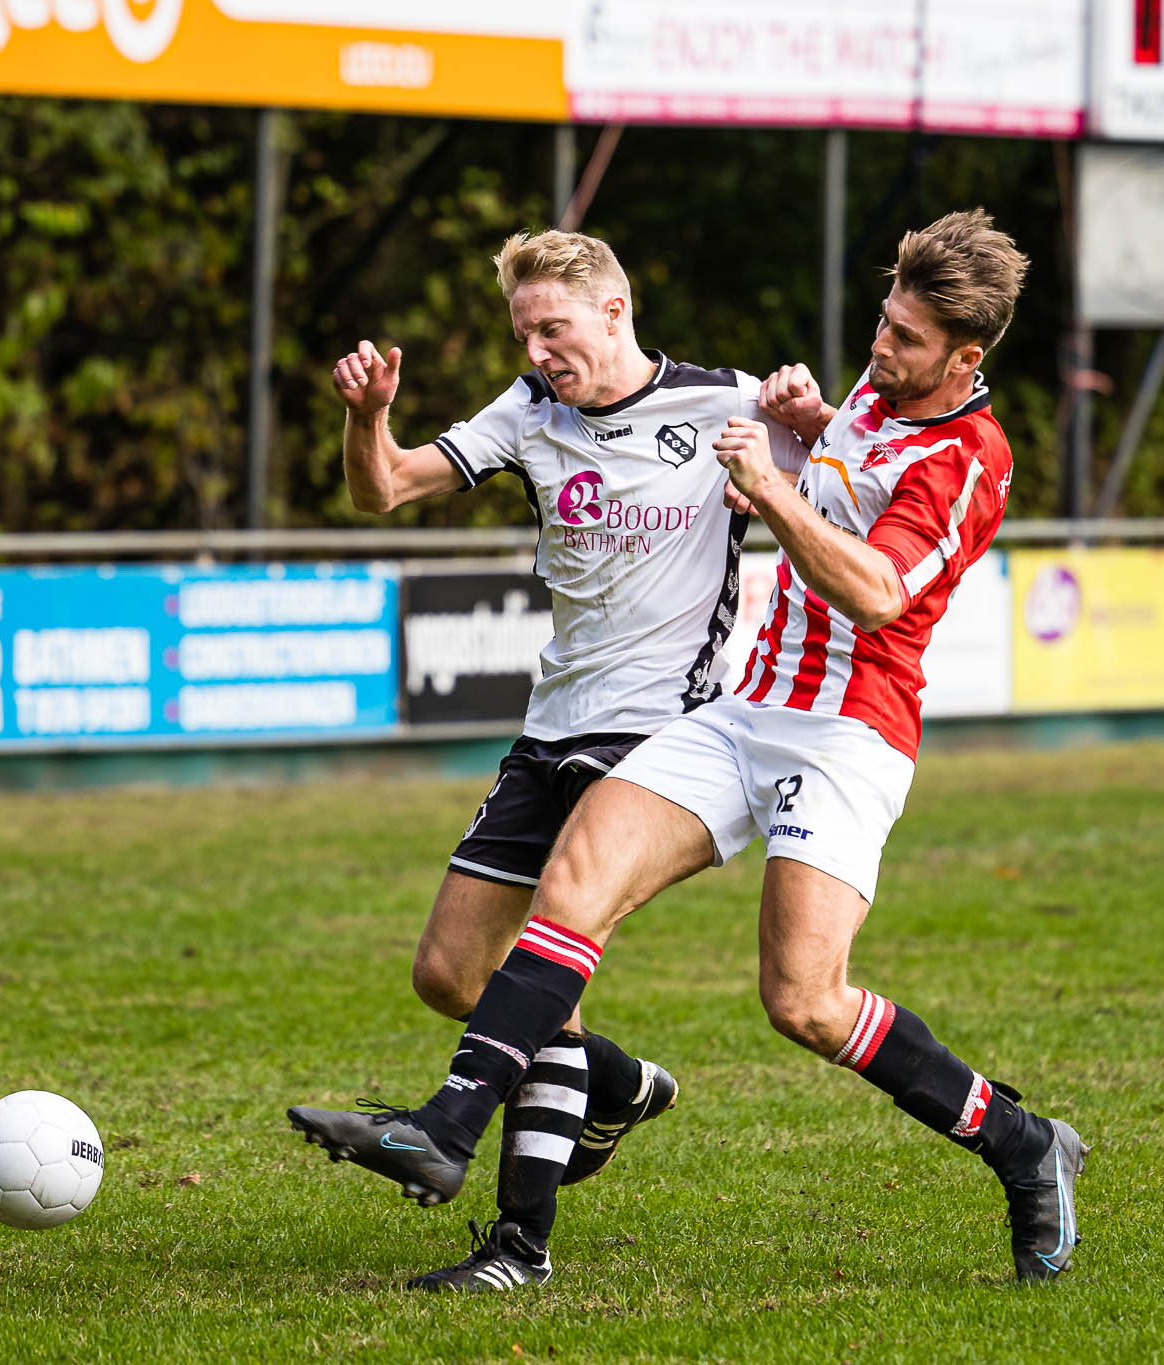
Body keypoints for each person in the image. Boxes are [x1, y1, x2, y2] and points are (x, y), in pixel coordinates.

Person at [290, 209, 1089, 1286]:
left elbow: (876, 592)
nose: (879, 349)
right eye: (882, 322)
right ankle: (452, 1136)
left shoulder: (968, 459)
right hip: (741, 710)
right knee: (572, 885)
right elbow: (829, 470)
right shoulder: (869, 392)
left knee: (803, 1001)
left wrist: (766, 483)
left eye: (905, 340)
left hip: (849, 734)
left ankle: (1020, 1141)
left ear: (965, 357)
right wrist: (805, 421)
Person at [290, 228, 807, 1291]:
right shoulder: (525, 414)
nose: (536, 349)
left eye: (553, 327)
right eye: (523, 330)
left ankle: (513, 1244)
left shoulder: (725, 403)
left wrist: (808, 423)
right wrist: (366, 418)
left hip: (663, 736)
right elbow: (380, 491)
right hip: (548, 731)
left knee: (546, 952)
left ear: (615, 312)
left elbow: (853, 479)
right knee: (454, 975)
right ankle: (611, 1087)